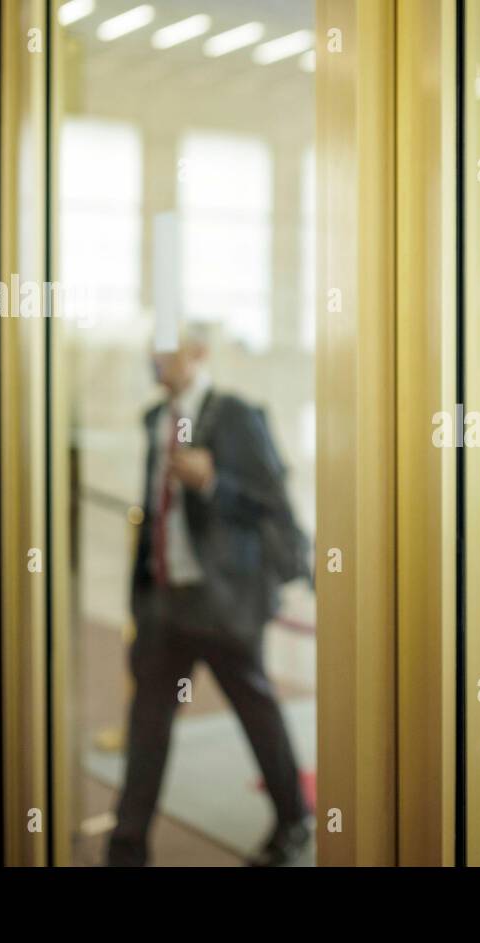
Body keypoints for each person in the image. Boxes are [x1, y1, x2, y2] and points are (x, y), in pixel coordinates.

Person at [106, 326, 310, 867]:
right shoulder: (156, 420)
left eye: (167, 349)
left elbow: (274, 505)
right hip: (164, 603)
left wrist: (215, 484)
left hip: (221, 604)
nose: (155, 357)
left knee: (255, 711)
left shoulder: (236, 415)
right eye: (151, 346)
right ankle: (125, 849)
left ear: (198, 353)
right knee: (147, 722)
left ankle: (294, 823)